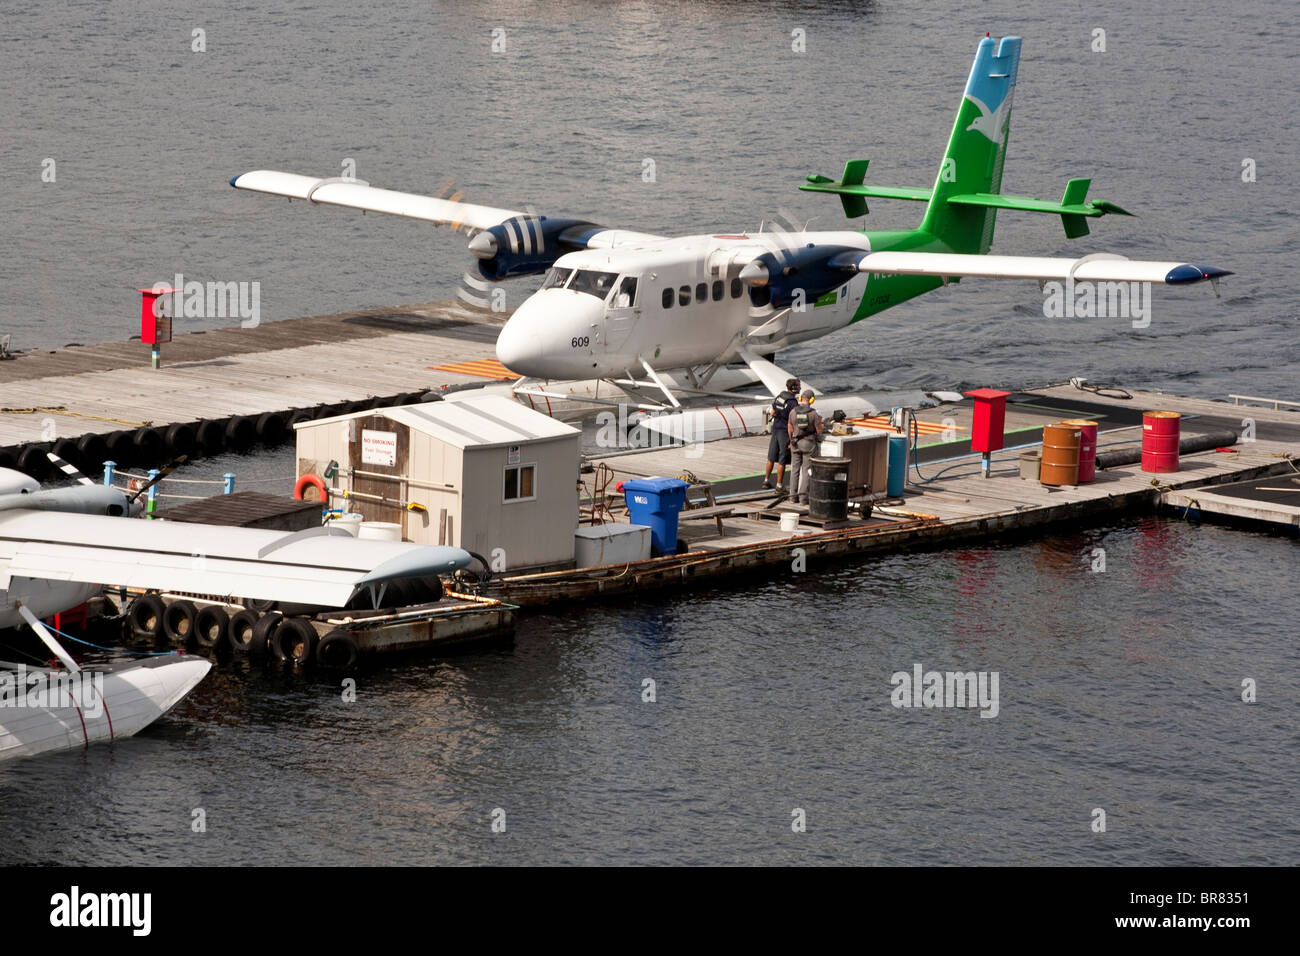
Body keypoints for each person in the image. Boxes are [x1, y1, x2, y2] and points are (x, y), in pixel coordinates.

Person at [787, 389, 824, 503]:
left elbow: (789, 429)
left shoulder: (793, 412)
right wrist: (821, 425)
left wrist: (791, 440)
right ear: (811, 400)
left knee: (794, 470)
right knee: (806, 470)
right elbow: (819, 431)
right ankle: (803, 498)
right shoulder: (813, 414)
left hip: (795, 443)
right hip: (808, 444)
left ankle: (793, 496)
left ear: (800, 399)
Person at [764, 378, 800, 490]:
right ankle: (779, 485)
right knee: (782, 459)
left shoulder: (780, 396)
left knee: (771, 457)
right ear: (794, 388)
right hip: (784, 431)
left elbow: (773, 412)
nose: (800, 388)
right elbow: (793, 421)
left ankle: (766, 480)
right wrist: (792, 438)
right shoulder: (793, 402)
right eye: (798, 386)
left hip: (775, 429)